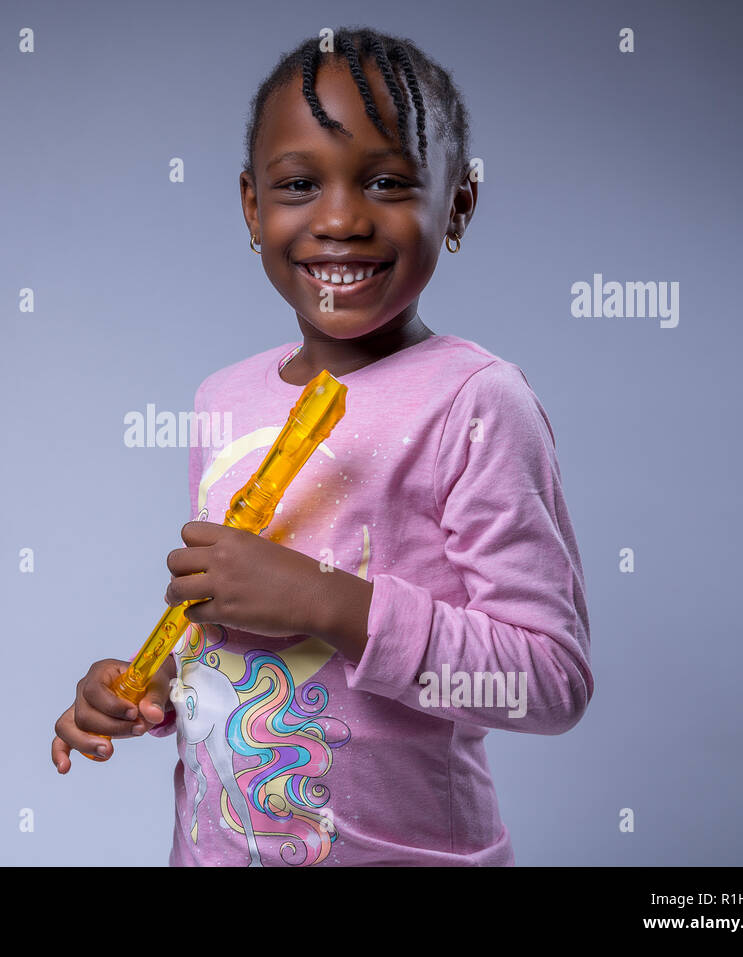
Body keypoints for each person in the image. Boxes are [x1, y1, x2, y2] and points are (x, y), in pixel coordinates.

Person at [50, 26, 593, 866]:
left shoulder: (476, 402)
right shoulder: (223, 398)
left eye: (387, 181)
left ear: (458, 204)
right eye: (300, 184)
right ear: (252, 207)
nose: (340, 218)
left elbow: (548, 681)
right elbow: (228, 635)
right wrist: (154, 684)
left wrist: (328, 602)